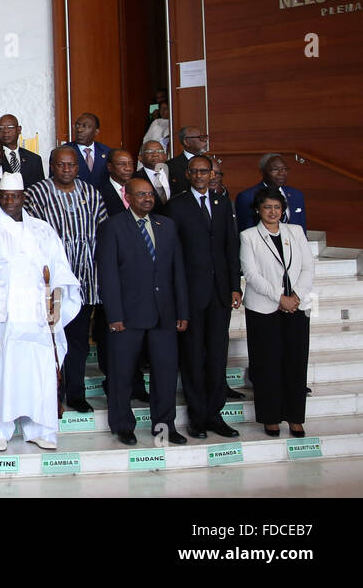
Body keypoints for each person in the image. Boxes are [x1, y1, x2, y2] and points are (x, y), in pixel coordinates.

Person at [0, 173, 81, 452]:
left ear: (23, 197)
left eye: (16, 196)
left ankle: (39, 428)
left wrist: (55, 314)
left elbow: (59, 273)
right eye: (5, 196)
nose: (10, 201)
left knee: (38, 373)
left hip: (36, 319)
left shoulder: (43, 230)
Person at [96, 178, 189, 446]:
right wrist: (114, 316)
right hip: (126, 315)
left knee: (166, 372)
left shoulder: (167, 225)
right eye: (141, 194)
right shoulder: (112, 227)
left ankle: (164, 425)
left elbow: (177, 272)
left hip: (164, 314)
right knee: (122, 373)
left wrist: (182, 310)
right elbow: (109, 275)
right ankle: (123, 425)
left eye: (150, 194)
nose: (147, 198)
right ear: (127, 197)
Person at [23, 146, 108, 413]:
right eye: (61, 165)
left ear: (78, 167)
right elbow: (29, 235)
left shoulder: (91, 194)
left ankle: (76, 393)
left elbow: (103, 232)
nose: (67, 169)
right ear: (51, 166)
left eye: (71, 165)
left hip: (84, 280)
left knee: (79, 341)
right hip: (50, 284)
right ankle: (52, 395)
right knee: (49, 342)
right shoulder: (36, 193)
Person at [170, 154, 242, 440]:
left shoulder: (222, 203)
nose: (201, 175)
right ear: (188, 174)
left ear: (212, 174)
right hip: (190, 294)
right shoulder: (176, 206)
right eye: (196, 171)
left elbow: (230, 246)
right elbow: (173, 255)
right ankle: (197, 417)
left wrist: (235, 286)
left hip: (220, 293)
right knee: (192, 356)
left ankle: (215, 414)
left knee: (216, 355)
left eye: (206, 171)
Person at [240, 188, 315, 437]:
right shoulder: (248, 236)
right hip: (263, 308)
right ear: (258, 210)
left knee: (295, 362)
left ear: (282, 211)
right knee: (266, 364)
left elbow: (307, 267)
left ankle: (295, 417)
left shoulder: (295, 232)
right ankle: (270, 417)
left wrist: (296, 297)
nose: (272, 212)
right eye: (267, 207)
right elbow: (251, 275)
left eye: (276, 207)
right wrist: (279, 297)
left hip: (297, 306)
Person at [235, 154, 308, 232]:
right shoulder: (247, 197)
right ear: (262, 172)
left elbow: (302, 229)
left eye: (284, 169)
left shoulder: (297, 195)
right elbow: (246, 230)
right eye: (275, 169)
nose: (281, 173)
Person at [0, 114, 45, 188]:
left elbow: (41, 189)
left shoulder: (34, 159)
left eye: (10, 127)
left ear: (19, 130)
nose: (5, 131)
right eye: (1, 128)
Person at [66, 112, 110, 188]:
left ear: (96, 132)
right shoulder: (64, 151)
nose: (79, 129)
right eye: (77, 125)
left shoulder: (106, 151)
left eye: (85, 126)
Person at [166, 125, 209, 198]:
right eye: (200, 138)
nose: (205, 140)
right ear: (186, 142)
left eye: (205, 137)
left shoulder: (209, 162)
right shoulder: (170, 166)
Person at [137, 141, 172, 211]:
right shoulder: (135, 178)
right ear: (140, 158)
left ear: (165, 156)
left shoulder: (175, 173)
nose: (155, 154)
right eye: (149, 151)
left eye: (160, 151)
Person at [101, 148, 137, 216]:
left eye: (130, 163)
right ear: (109, 167)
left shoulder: (139, 187)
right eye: (122, 164)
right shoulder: (100, 193)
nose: (128, 168)